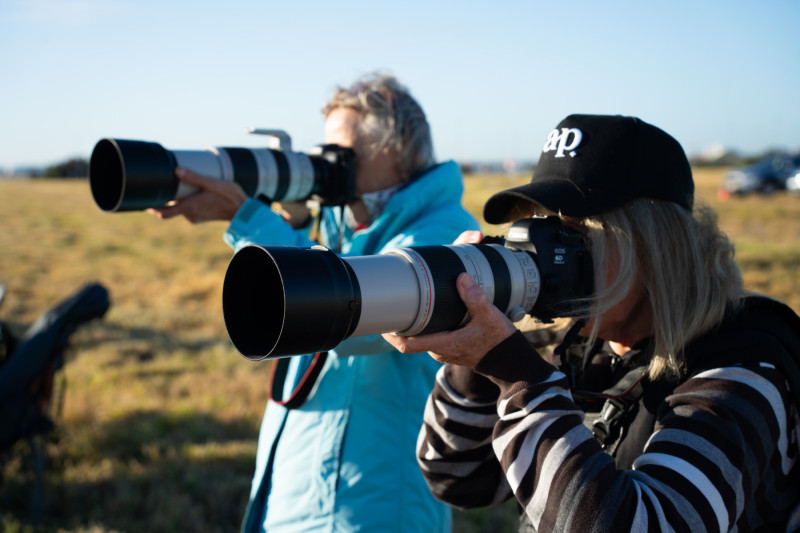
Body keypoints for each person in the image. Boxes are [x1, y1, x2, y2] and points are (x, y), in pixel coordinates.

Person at [383, 114, 800, 532]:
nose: (543, 254)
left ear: (654, 245)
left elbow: (644, 524)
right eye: (536, 227)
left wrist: (518, 377)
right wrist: (473, 357)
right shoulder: (581, 344)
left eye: (570, 234)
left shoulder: (744, 366)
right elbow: (459, 481)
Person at [149, 72, 479, 532]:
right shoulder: (350, 224)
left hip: (373, 504)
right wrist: (298, 219)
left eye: (343, 156)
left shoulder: (444, 236)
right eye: (322, 155)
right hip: (304, 488)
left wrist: (249, 220)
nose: (328, 168)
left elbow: (345, 310)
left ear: (397, 152)